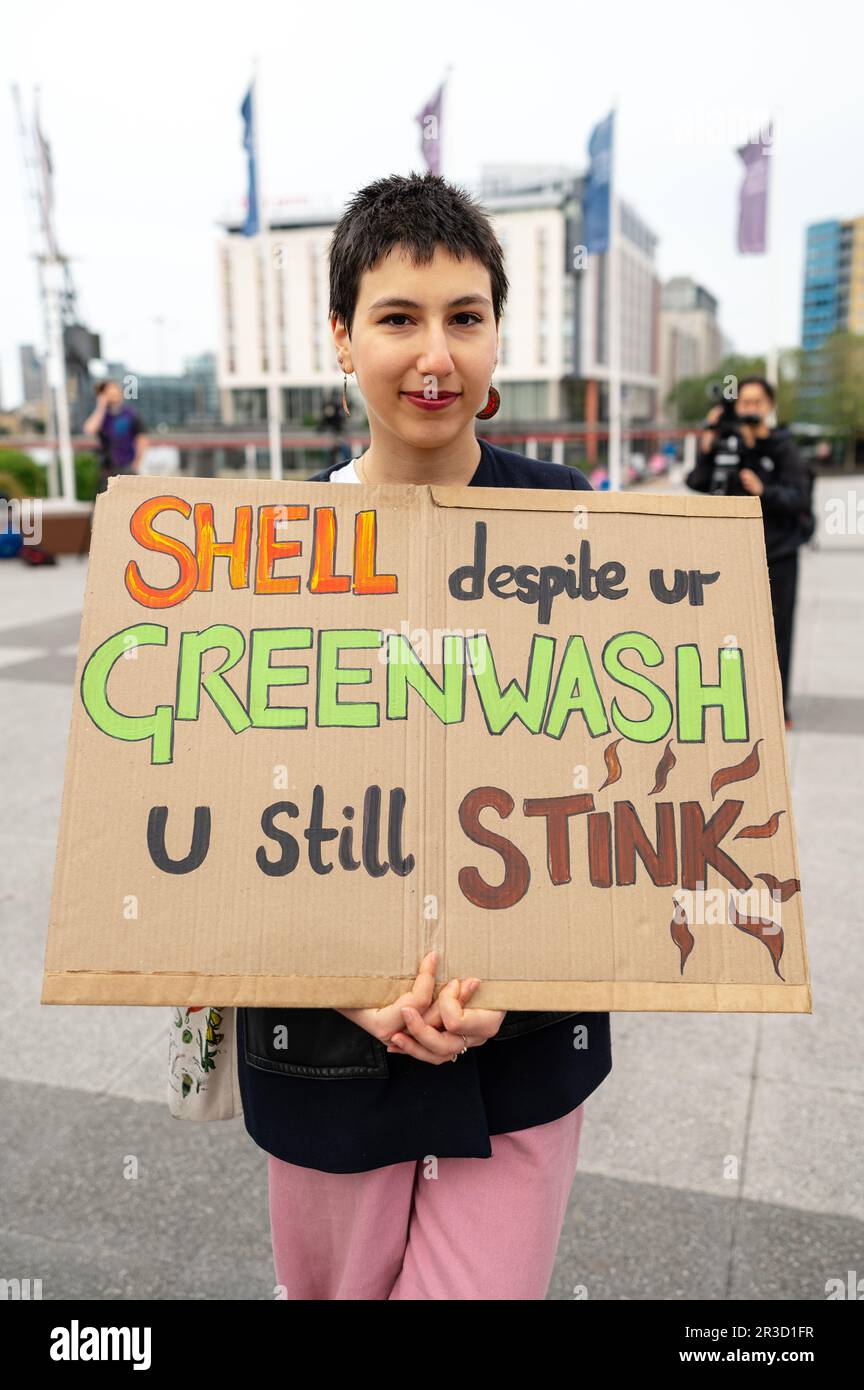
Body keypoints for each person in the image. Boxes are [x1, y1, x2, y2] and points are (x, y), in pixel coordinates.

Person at [237, 171, 613, 1301]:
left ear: (501, 334)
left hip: (526, 1045)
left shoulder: (582, 524)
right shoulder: (266, 548)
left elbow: (625, 792)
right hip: (326, 1045)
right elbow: (220, 809)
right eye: (398, 318)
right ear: (344, 339)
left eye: (465, 317)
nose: (434, 353)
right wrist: (349, 979)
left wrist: (521, 971)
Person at [684, 376, 811, 730]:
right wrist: (707, 448)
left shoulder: (784, 447)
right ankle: (730, 700)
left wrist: (763, 489)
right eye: (745, 402)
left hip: (778, 553)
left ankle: (777, 706)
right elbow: (697, 481)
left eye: (757, 402)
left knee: (776, 631)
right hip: (731, 552)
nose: (751, 409)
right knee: (726, 629)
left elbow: (798, 498)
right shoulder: (728, 443)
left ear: (769, 406)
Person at [83, 379, 149, 494]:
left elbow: (142, 439)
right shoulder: (102, 415)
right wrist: (101, 406)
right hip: (107, 469)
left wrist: (136, 464)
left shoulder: (130, 414)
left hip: (127, 466)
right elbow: (89, 429)